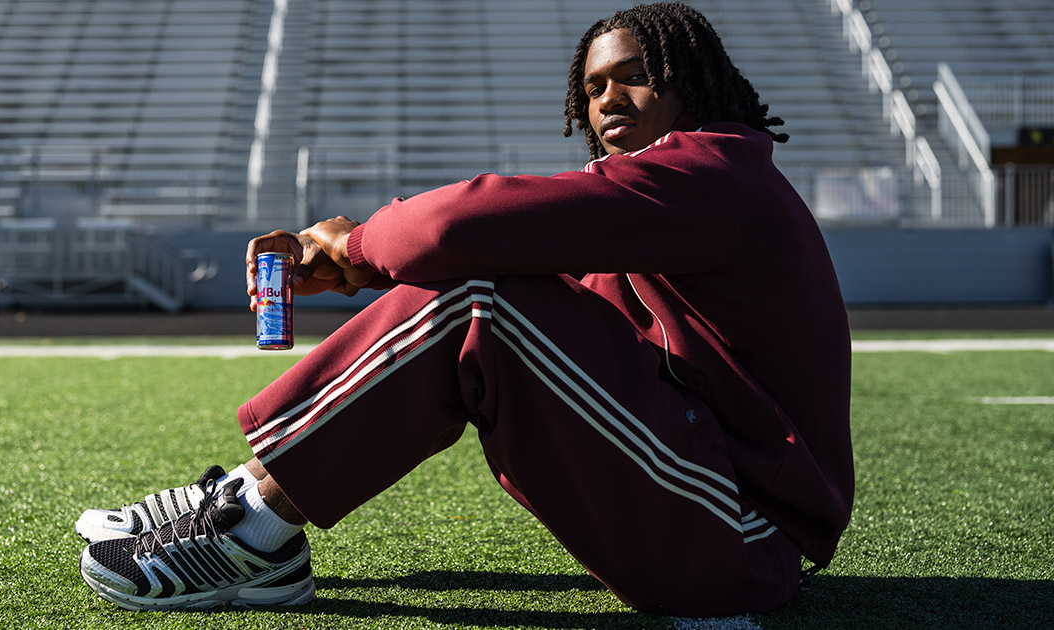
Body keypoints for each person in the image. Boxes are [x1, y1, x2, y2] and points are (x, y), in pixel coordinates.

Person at [75, 2, 853, 617]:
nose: (609, 97)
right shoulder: (671, 200)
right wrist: (354, 275)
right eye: (593, 86)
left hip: (742, 536)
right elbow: (494, 271)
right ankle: (241, 505)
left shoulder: (715, 173)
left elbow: (454, 226)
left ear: (694, 77)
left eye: (638, 74)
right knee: (483, 284)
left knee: (483, 295)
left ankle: (251, 530)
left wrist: (357, 247)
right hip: (704, 507)